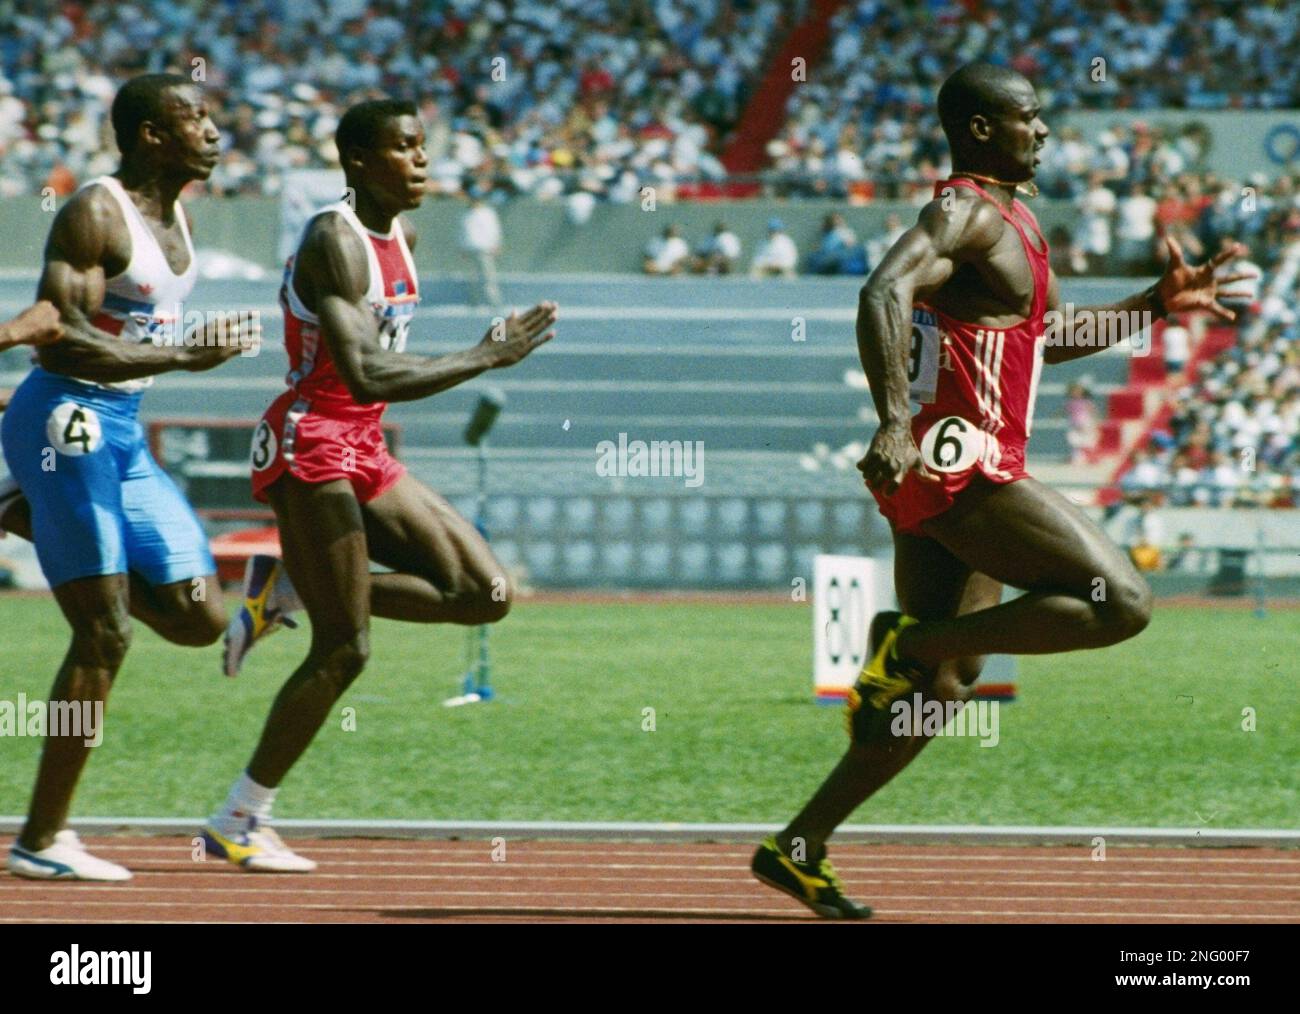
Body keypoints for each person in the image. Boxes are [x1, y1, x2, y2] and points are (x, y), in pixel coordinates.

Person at [751, 62, 1251, 918]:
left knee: (946, 685)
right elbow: (883, 288)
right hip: (959, 460)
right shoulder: (964, 209)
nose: (1045, 131)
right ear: (982, 129)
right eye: (1030, 118)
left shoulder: (1013, 219)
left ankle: (800, 845)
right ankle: (904, 644)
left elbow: (1046, 338)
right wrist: (896, 421)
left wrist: (1153, 305)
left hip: (945, 467)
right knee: (1120, 601)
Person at [206, 99, 558, 872]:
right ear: (360, 161)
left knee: (484, 593)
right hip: (312, 439)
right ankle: (239, 818)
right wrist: (485, 357)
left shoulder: (403, 233)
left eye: (424, 146)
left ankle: (289, 589)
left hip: (358, 439)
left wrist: (478, 356)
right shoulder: (333, 238)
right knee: (347, 648)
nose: (423, 161)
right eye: (404, 149)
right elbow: (363, 369)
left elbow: (378, 368)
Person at [2, 74, 254, 882]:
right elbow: (63, 343)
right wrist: (187, 353)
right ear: (151, 134)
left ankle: (20, 509)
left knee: (199, 615)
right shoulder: (96, 211)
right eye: (197, 119)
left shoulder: (174, 212)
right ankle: (43, 839)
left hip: (122, 428)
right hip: (65, 416)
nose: (214, 132)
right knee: (106, 630)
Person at [459, 187, 503, 308]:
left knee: (488, 278)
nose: (475, 201)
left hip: (485, 250)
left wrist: (496, 244)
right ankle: (474, 303)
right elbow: (463, 232)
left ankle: (493, 303)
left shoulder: (488, 213)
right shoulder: (466, 214)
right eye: (473, 199)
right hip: (470, 249)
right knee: (472, 278)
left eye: (477, 199)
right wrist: (462, 247)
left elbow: (494, 230)